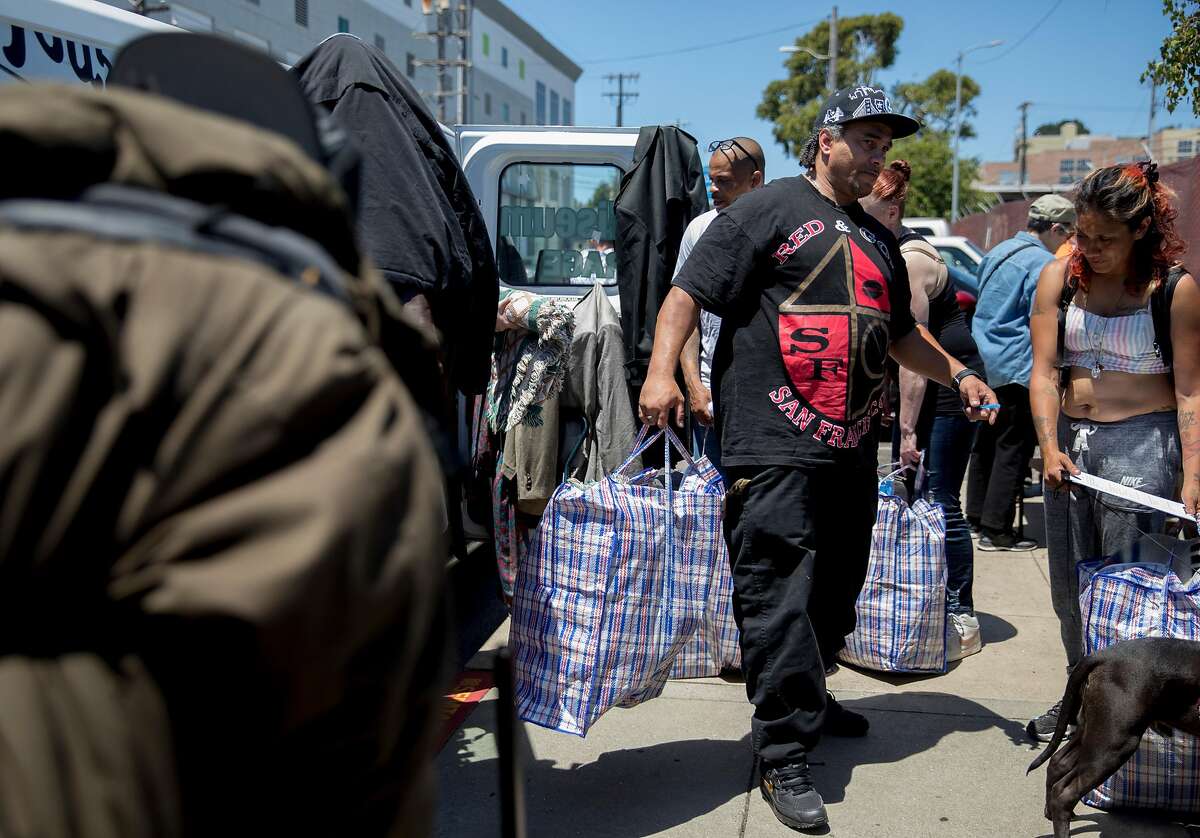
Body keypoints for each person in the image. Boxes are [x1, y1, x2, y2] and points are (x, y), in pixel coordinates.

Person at [637, 85, 998, 832]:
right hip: (773, 446)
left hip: (847, 449)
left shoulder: (875, 240)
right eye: (866, 139)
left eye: (884, 144)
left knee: (837, 591)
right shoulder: (766, 209)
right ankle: (782, 753)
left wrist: (958, 374)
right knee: (779, 595)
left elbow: (899, 334)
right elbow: (687, 293)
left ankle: (813, 689)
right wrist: (660, 371)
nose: (878, 155)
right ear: (826, 140)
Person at [1026, 161, 1199, 740]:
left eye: (1106, 239)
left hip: (1142, 450)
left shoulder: (1173, 288)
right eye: (1083, 233)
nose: (1090, 248)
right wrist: (1049, 446)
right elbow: (1044, 372)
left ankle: (1127, 710)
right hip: (1071, 453)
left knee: (1132, 586)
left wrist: (1193, 474)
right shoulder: (1061, 278)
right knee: (1069, 586)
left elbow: (1191, 389)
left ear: (1141, 230)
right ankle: (1079, 694)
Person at [860, 160, 984, 660]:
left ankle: (961, 611)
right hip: (931, 389)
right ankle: (925, 598)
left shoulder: (910, 258)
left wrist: (906, 432)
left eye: (869, 215)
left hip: (951, 390)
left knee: (940, 498)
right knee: (917, 496)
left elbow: (914, 353)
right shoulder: (889, 250)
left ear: (892, 210)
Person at [967, 195, 1077, 551]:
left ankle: (976, 516)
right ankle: (997, 530)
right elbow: (1043, 317)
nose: (1067, 243)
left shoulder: (998, 251)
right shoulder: (1044, 263)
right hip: (1017, 364)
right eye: (1067, 235)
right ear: (1056, 228)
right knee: (1012, 448)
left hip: (983, 360)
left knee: (986, 443)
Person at [677, 136, 766, 468]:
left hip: (766, 399)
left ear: (755, 181)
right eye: (711, 180)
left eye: (724, 182)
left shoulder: (782, 231)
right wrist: (694, 385)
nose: (713, 190)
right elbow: (685, 312)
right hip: (712, 395)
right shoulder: (699, 230)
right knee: (711, 506)